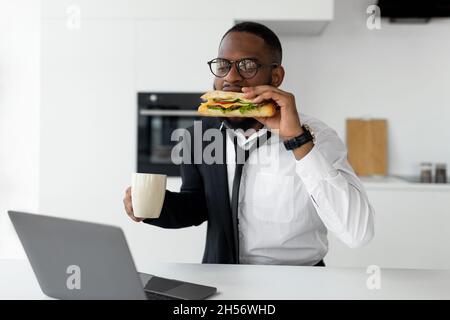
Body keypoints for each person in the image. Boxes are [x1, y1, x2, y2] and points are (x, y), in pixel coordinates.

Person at [123, 22, 374, 266]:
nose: (231, 77)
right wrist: (153, 208)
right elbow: (196, 206)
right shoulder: (197, 136)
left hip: (298, 281)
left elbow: (358, 233)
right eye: (223, 65)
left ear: (276, 76)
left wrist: (297, 140)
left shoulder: (317, 137)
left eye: (247, 65)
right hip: (220, 277)